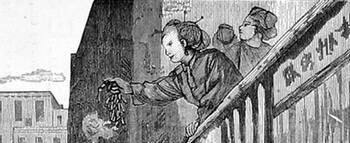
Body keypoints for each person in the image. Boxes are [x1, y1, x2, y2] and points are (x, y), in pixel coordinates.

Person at [105, 20, 242, 126]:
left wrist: (201, 120)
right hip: (215, 122)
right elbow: (158, 90)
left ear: (183, 42)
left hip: (239, 115)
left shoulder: (213, 58)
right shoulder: (181, 74)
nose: (167, 51)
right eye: (165, 47)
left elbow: (219, 94)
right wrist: (129, 88)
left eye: (170, 44)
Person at [233, 6, 279, 75]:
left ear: (258, 29)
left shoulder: (269, 50)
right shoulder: (235, 50)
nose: (240, 27)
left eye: (246, 25)